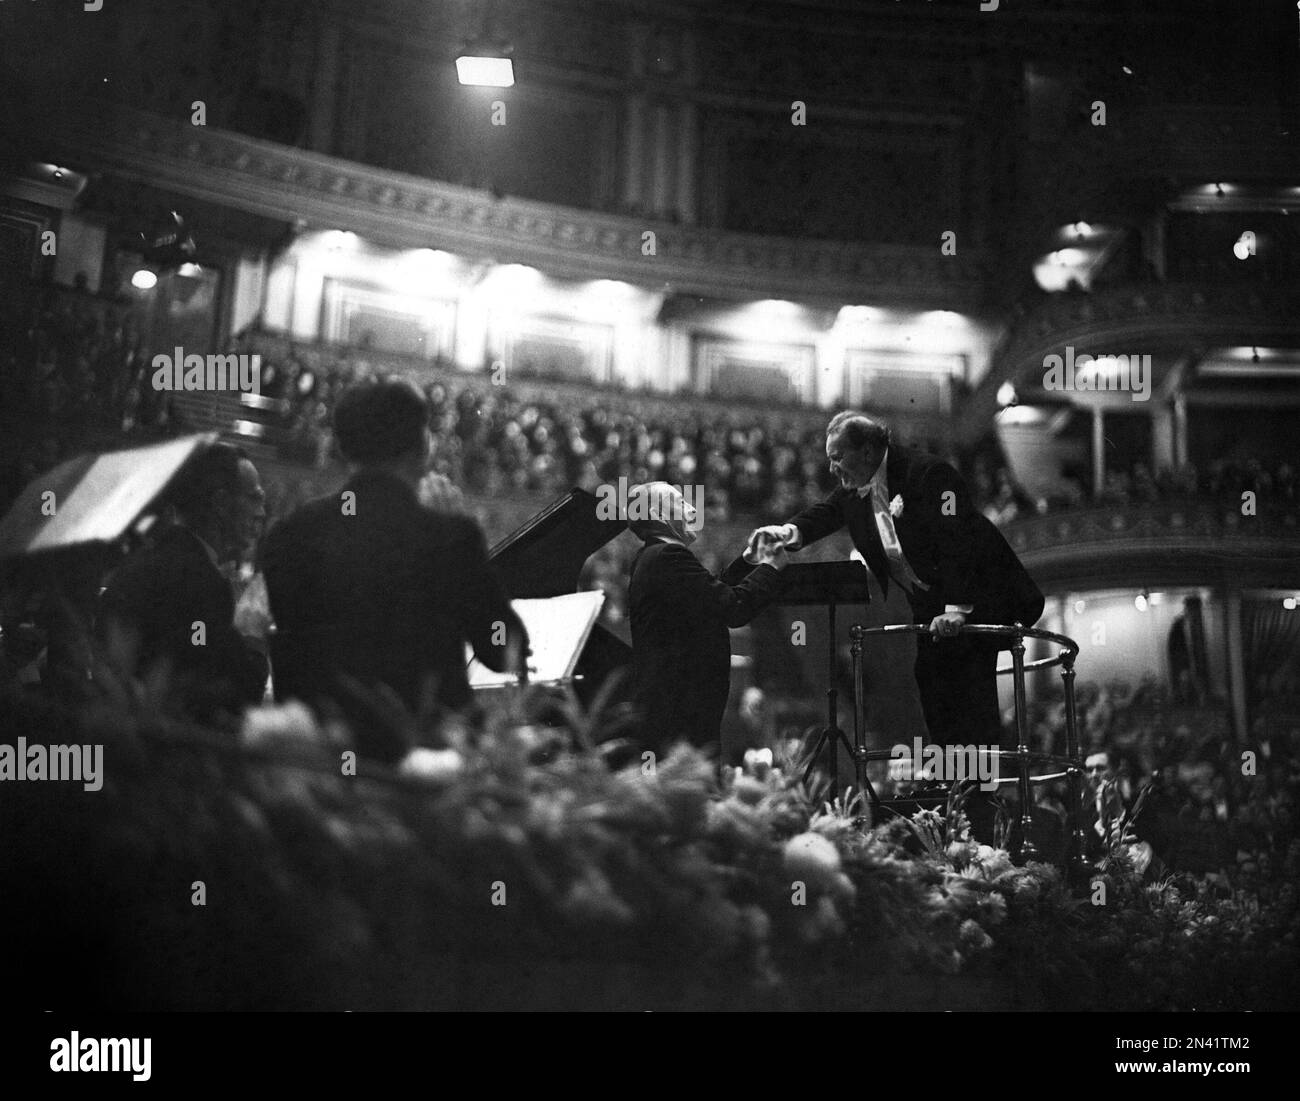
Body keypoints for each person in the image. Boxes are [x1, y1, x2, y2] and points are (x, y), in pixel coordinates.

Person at [261, 378, 526, 763]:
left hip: (321, 759)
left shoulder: (288, 535)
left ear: (342, 445)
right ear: (421, 446)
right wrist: (462, 547)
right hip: (425, 765)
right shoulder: (450, 536)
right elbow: (504, 651)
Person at [747, 412, 1044, 749]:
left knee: (971, 693)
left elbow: (957, 542)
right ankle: (953, 786)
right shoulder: (857, 485)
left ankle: (981, 794)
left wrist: (957, 609)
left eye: (837, 457)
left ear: (869, 453)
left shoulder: (931, 474)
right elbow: (827, 512)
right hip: (933, 608)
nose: (831, 468)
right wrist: (787, 532)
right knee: (932, 684)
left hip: (981, 597)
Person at [98, 442, 269, 721]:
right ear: (221, 503)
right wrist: (252, 633)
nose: (261, 512)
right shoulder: (203, 584)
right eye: (255, 498)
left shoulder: (148, 560)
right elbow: (241, 694)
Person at [628, 481, 786, 759]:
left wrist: (748, 562)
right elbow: (734, 608)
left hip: (673, 709)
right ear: (657, 514)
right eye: (680, 502)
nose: (692, 510)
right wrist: (771, 568)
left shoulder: (654, 557)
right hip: (683, 714)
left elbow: (711, 599)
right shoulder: (668, 557)